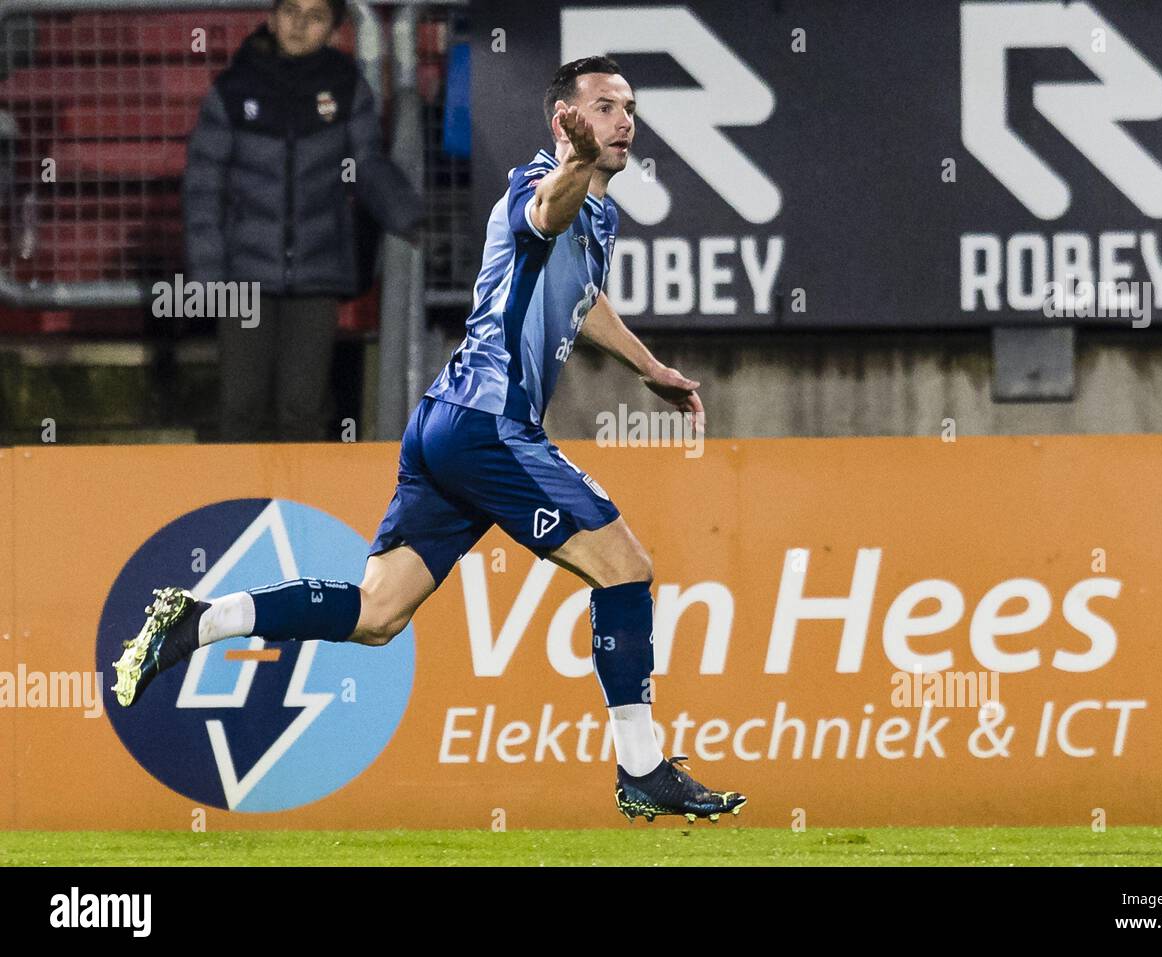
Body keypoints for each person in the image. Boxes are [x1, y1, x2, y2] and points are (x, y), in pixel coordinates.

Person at [115, 56, 746, 824]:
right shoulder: (536, 185)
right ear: (565, 121)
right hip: (488, 424)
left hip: (447, 424)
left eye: (630, 107)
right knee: (625, 571)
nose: (624, 120)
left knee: (379, 613)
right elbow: (548, 208)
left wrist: (649, 367)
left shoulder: (601, 214)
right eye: (606, 107)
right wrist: (575, 164)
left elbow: (580, 296)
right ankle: (642, 767)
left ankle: (202, 619)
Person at [182, 0, 423, 441]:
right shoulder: (234, 88)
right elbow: (203, 186)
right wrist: (208, 277)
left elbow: (367, 162)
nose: (300, 25)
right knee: (239, 409)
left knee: (303, 410)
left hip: (317, 271)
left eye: (315, 17)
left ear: (332, 29)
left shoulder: (345, 86)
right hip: (243, 278)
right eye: (291, 11)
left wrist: (406, 212)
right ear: (272, 17)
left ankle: (298, 509)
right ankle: (239, 506)